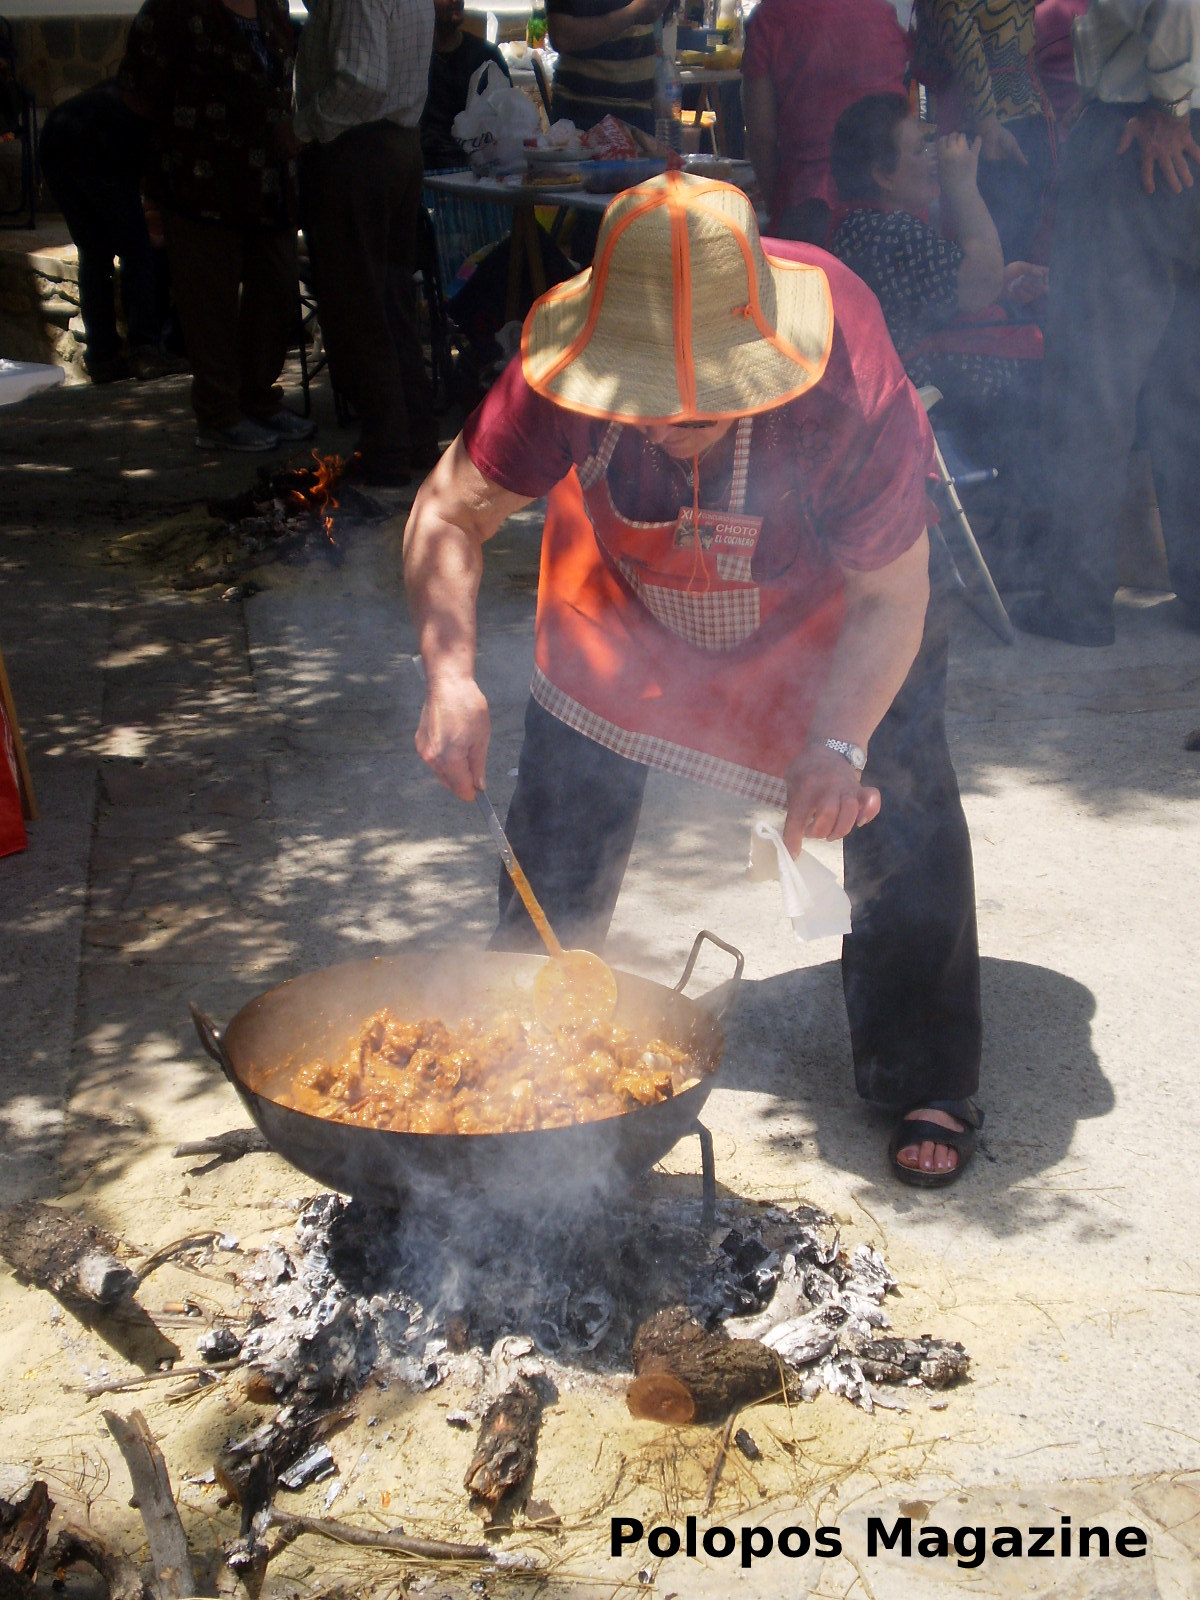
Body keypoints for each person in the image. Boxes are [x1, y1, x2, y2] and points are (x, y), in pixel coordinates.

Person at [403, 172, 985, 1186]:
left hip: (833, 606)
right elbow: (448, 512)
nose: (664, 434)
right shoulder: (558, 368)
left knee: (901, 793)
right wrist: (449, 675)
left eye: (695, 415)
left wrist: (836, 742)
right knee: (566, 788)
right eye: (640, 408)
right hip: (622, 594)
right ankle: (525, 1037)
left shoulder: (847, 378)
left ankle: (925, 1067)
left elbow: (893, 594)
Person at [1013, 0, 1200, 646]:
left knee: (1093, 382)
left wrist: (1170, 106)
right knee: (1188, 384)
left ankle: (1078, 596)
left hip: (1147, 129)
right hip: (1166, 120)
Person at [828, 94, 1047, 563]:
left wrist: (1000, 281)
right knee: (1069, 391)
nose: (933, 157)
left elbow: (952, 289)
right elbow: (977, 281)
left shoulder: (864, 227)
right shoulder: (891, 233)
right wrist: (962, 184)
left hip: (912, 391)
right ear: (883, 176)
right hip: (938, 401)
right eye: (919, 150)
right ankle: (1038, 548)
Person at [119, 0, 312, 452]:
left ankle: (257, 398)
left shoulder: (271, 6)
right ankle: (218, 414)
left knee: (276, 288)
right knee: (210, 304)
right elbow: (135, 91)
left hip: (268, 183)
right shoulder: (173, 10)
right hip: (200, 185)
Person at [294, 0, 439, 487]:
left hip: (359, 152)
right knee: (391, 298)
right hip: (395, 146)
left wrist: (301, 127)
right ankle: (414, 433)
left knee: (360, 302)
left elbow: (362, 83)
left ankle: (387, 446)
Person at [38, 83, 183, 386]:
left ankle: (102, 356)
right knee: (136, 251)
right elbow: (155, 193)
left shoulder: (143, 101)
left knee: (94, 252)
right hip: (98, 142)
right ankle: (145, 350)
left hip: (57, 135)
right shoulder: (168, 113)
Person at [741, 0, 910, 236]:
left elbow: (761, 137)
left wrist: (778, 208)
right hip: (895, 202)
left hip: (811, 207)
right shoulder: (881, 11)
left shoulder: (771, 17)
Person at [913, 0, 1055, 260]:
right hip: (1018, 120)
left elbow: (955, 25)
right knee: (1024, 256)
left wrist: (987, 124)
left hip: (991, 131)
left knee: (996, 256)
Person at [546, 0, 672, 134]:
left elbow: (650, 15)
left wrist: (660, 94)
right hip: (586, 111)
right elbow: (562, 36)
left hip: (642, 110)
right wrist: (632, 14)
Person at [422, 0, 511, 173]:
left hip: (477, 167)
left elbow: (507, 118)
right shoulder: (415, 57)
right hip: (427, 167)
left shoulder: (486, 56)